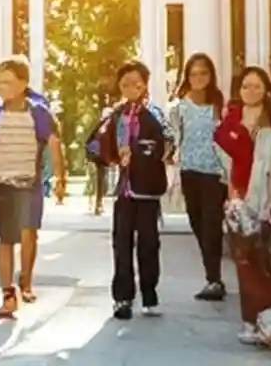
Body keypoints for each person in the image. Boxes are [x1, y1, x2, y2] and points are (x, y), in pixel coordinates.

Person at [0, 56, 65, 319]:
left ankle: (26, 278)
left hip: (29, 184)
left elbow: (54, 144)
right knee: (6, 239)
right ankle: (8, 293)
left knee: (29, 233)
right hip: (2, 183)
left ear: (24, 83)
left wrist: (60, 178)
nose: (3, 87)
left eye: (9, 82)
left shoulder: (39, 113)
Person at [214, 66, 271, 347]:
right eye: (246, 86)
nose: (251, 91)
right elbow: (224, 156)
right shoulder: (230, 121)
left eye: (257, 86)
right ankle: (250, 321)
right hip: (239, 199)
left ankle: (270, 316)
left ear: (266, 90)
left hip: (270, 200)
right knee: (245, 262)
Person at [91, 61, 176, 320]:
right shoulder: (114, 114)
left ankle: (149, 294)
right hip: (123, 189)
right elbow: (95, 144)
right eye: (125, 83)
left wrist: (139, 151)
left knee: (149, 243)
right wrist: (111, 156)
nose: (130, 88)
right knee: (121, 242)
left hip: (147, 188)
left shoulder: (154, 114)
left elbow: (168, 142)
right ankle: (122, 297)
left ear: (145, 85)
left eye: (136, 83)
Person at [167, 52, 227, 302]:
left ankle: (214, 278)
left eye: (203, 73)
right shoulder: (179, 107)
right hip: (189, 171)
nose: (199, 78)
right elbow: (172, 137)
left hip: (215, 173)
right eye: (194, 74)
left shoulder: (219, 105)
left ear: (211, 75)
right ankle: (211, 272)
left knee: (212, 225)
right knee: (197, 223)